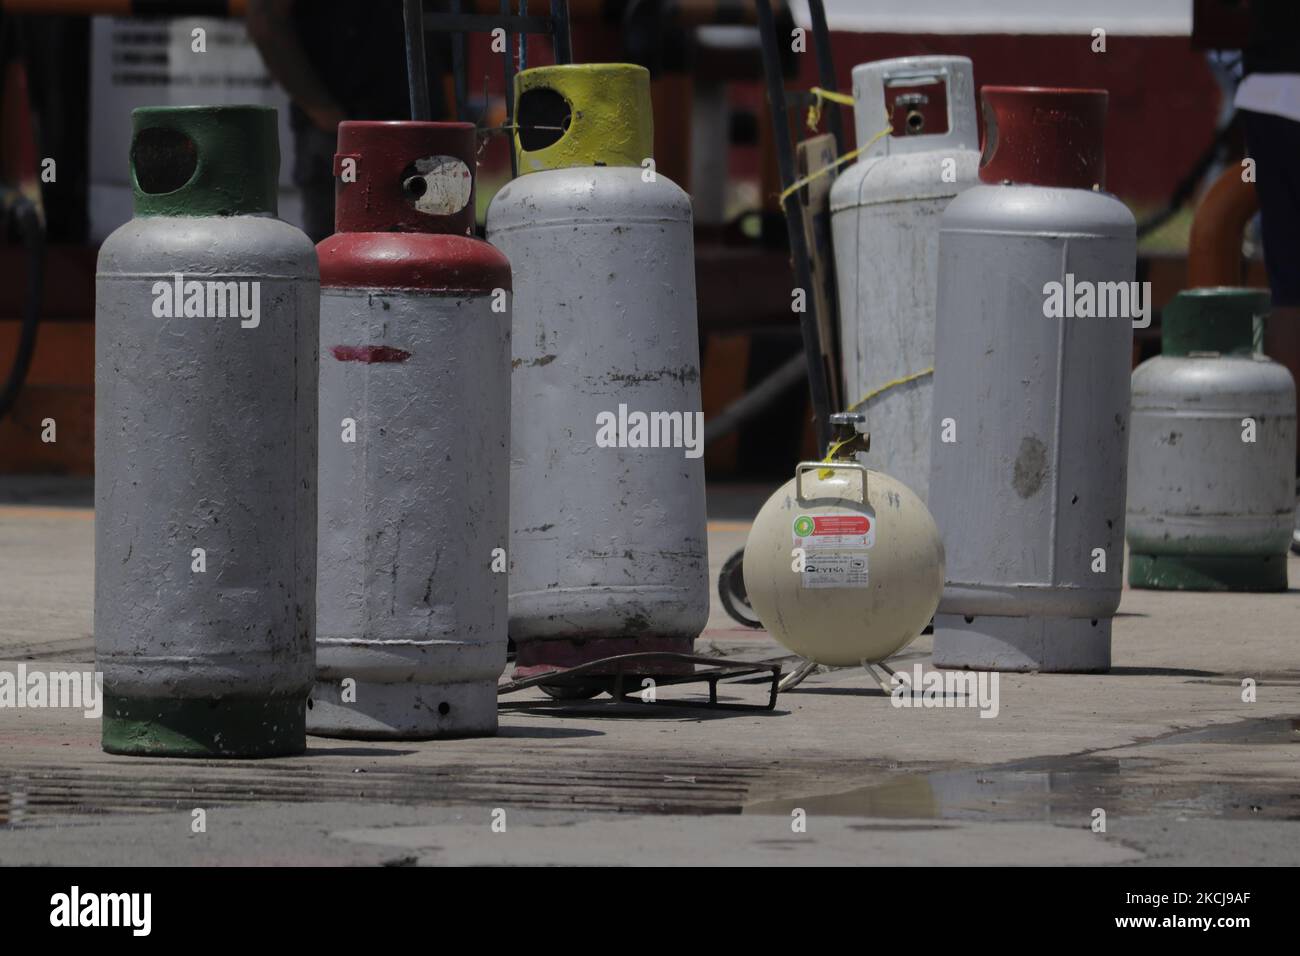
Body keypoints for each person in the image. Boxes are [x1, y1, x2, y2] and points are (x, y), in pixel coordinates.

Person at [247, 0, 447, 242]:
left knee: (431, 256)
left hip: (424, 134)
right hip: (342, 132)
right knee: (340, 262)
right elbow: (265, 21)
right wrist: (324, 113)